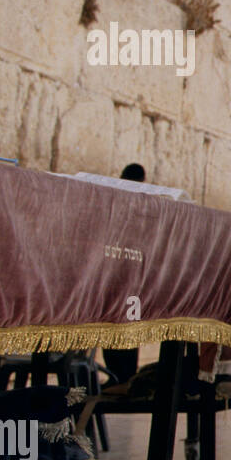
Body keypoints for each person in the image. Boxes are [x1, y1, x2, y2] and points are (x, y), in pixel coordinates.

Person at [103, 163, 145, 386]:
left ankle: (117, 376)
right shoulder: (143, 203)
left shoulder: (115, 198)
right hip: (131, 277)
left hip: (114, 275)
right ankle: (126, 377)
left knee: (113, 326)